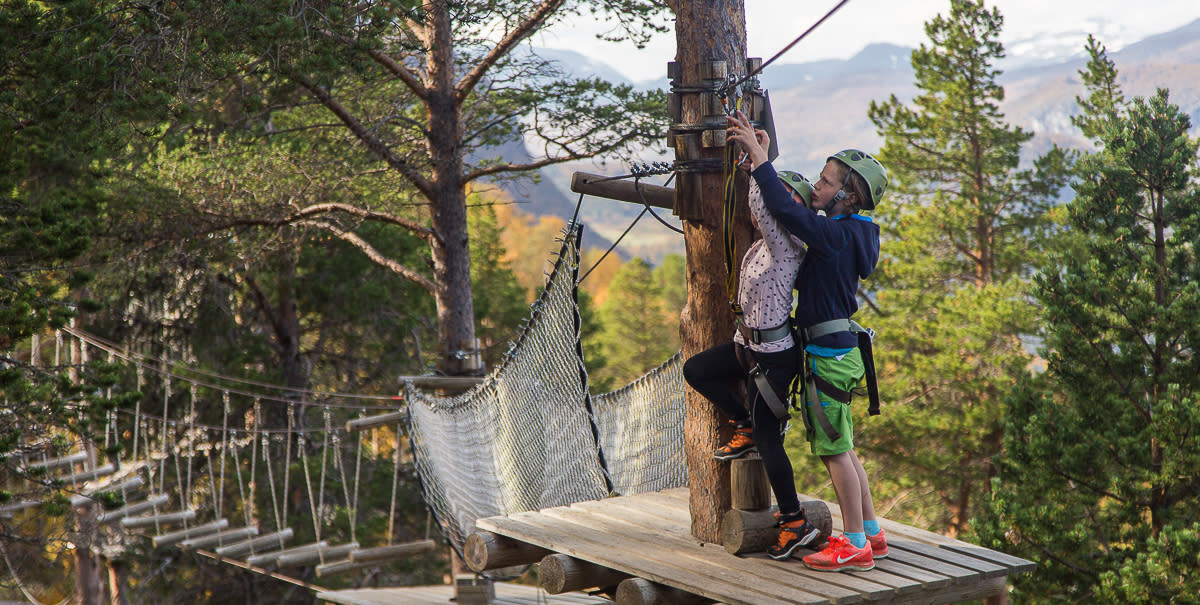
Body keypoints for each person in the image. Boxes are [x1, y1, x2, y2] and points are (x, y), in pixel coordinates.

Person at [725, 109, 887, 572]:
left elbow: (784, 210)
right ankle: (872, 533)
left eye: (826, 181)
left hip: (826, 353)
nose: (816, 187)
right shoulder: (853, 233)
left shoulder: (833, 235)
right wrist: (762, 159)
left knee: (835, 451)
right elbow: (791, 210)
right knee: (845, 445)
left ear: (848, 196)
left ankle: (853, 542)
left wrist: (760, 156)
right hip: (841, 350)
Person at [681, 137, 822, 561]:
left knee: (770, 439)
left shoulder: (787, 246)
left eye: (787, 200)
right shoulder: (761, 246)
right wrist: (750, 171)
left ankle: (795, 520)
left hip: (773, 356)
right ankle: (742, 422)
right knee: (697, 371)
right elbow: (760, 209)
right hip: (749, 345)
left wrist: (756, 165)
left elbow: (766, 207)